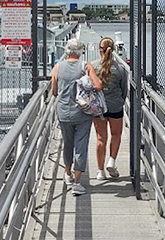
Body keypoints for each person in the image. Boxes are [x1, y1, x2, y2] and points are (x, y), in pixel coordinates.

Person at [51, 38, 102, 196]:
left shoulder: (58, 67)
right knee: (81, 145)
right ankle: (77, 182)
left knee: (67, 143)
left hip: (64, 112)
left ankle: (67, 174)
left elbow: (54, 91)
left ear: (67, 51)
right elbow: (98, 85)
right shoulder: (85, 66)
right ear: (81, 52)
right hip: (82, 112)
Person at [92, 36, 128, 180]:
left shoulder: (94, 67)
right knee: (116, 134)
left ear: (100, 50)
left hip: (99, 107)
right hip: (115, 106)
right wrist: (120, 102)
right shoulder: (120, 69)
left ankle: (100, 171)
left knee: (101, 138)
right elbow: (124, 89)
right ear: (113, 50)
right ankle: (112, 161)